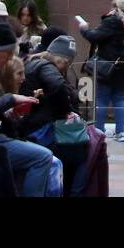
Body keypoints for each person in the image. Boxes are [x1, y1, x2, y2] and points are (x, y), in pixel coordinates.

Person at [0, 23, 55, 197]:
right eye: (7, 54)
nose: (9, 59)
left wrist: (9, 111)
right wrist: (12, 99)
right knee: (43, 157)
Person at [20, 35, 91, 193]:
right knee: (83, 150)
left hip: (30, 125)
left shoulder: (31, 63)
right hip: (41, 129)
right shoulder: (47, 67)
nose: (66, 67)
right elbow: (58, 86)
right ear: (63, 61)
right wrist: (65, 112)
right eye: (67, 63)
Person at [78, 0, 124, 142]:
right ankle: (121, 132)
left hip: (108, 65)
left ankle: (98, 131)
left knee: (102, 99)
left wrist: (84, 29)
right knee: (119, 98)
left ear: (116, 7)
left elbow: (95, 36)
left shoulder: (112, 20)